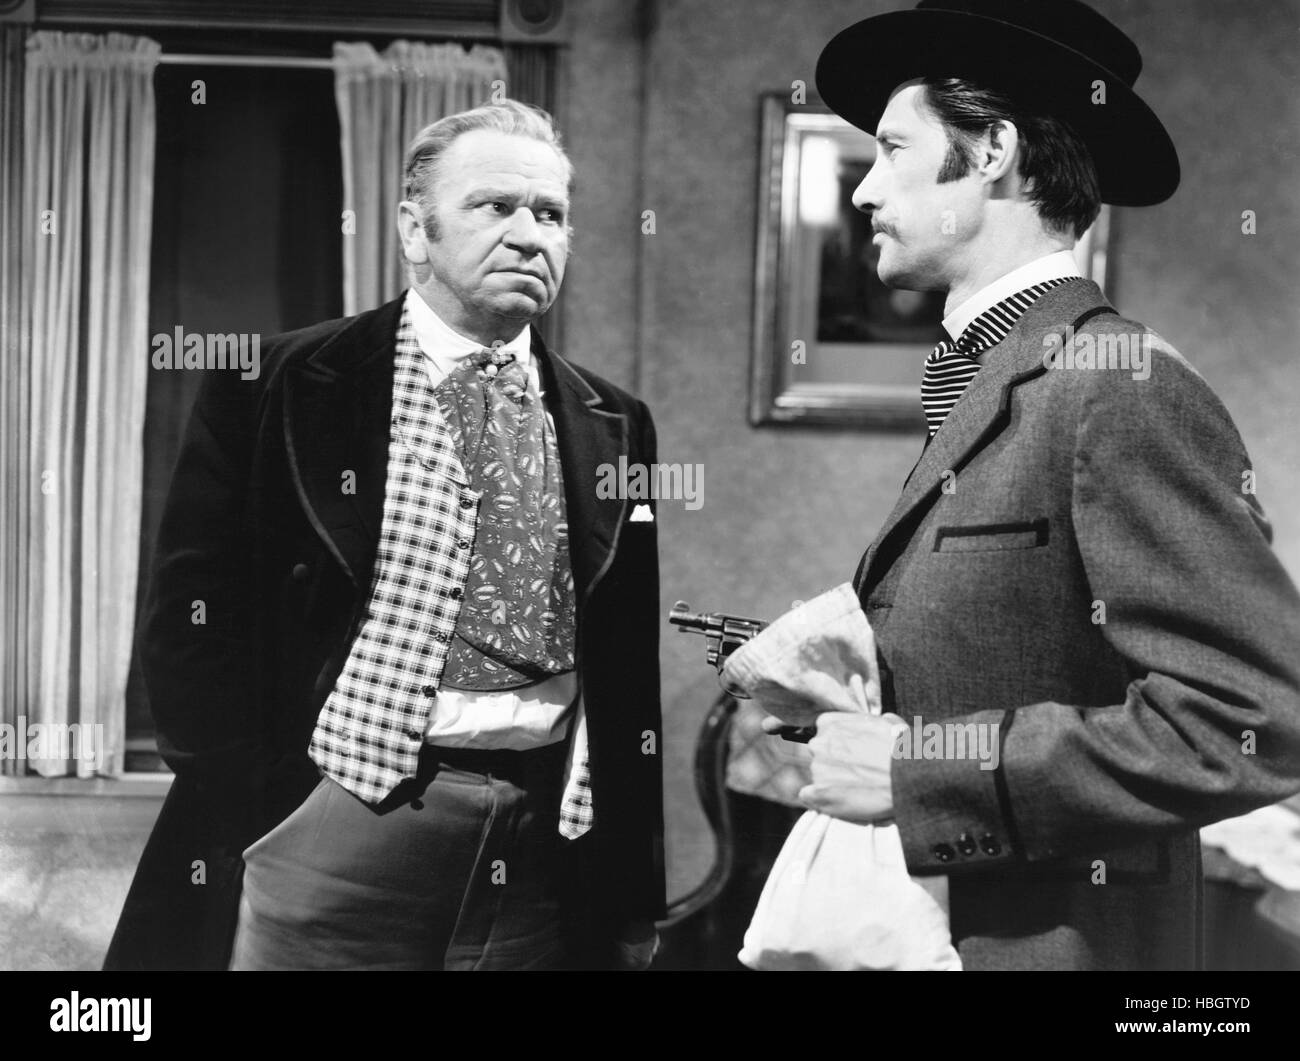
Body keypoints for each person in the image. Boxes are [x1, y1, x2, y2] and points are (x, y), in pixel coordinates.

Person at [789, 0, 1300, 969]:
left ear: (990, 154)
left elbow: (1256, 716)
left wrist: (919, 772)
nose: (862, 192)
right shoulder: (996, 373)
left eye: (892, 149)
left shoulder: (1117, 384)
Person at [105, 100, 664, 971]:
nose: (529, 235)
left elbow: (629, 667)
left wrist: (632, 882)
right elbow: (190, 619)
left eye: (551, 214)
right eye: (495, 207)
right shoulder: (280, 384)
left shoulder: (616, 420)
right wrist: (266, 802)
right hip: (334, 818)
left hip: (545, 834)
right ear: (415, 228)